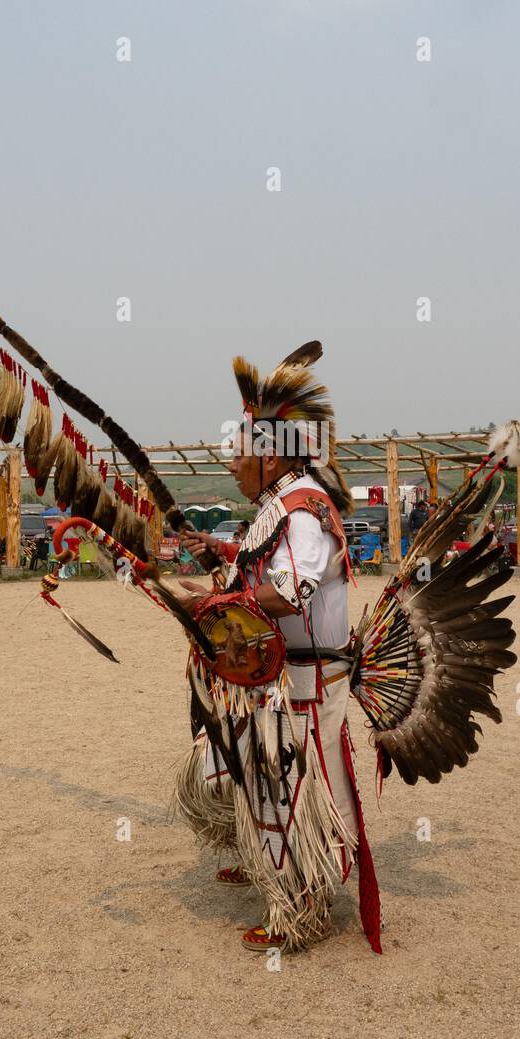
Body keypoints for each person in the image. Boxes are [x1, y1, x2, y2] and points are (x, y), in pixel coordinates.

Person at [174, 353, 374, 955]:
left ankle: (302, 905)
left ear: (273, 456)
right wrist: (220, 552)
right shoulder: (279, 506)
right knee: (270, 780)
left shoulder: (303, 508)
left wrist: (215, 604)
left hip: (307, 677)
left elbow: (290, 591)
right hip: (281, 674)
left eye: (239, 454)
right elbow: (263, 564)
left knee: (295, 786)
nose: (231, 464)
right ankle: (275, 873)